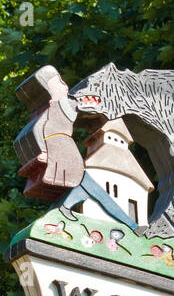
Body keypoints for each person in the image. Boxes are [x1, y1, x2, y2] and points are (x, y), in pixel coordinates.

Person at [15, 65, 138, 229]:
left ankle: (60, 213)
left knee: (87, 188)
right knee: (90, 188)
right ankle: (131, 225)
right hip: (65, 155)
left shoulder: (48, 111)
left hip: (61, 155)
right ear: (48, 90)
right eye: (58, 81)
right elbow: (91, 102)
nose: (64, 84)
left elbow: (33, 132)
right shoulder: (65, 104)